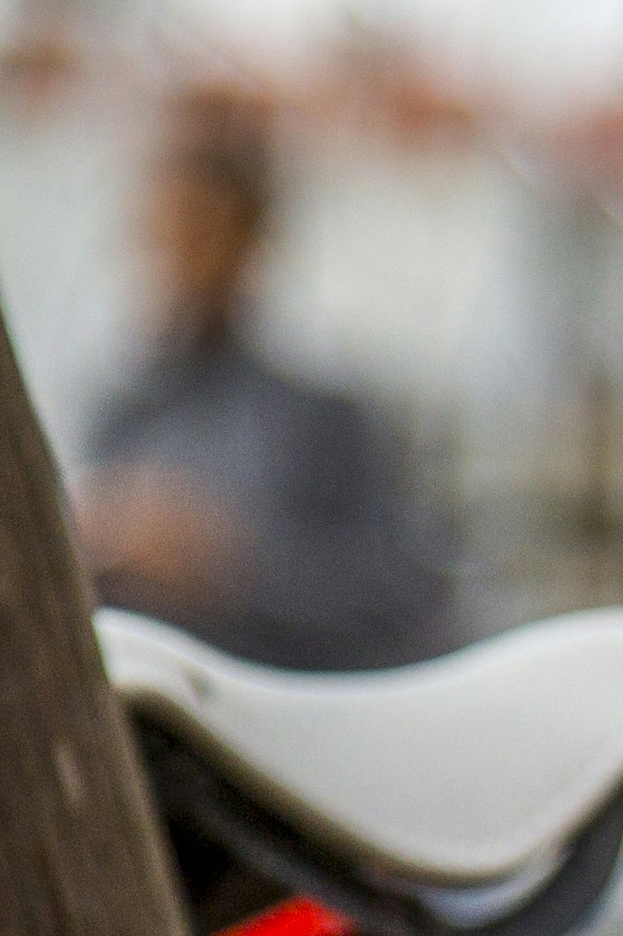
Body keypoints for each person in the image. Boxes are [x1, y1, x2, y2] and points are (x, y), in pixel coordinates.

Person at [67, 94, 453, 676]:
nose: (176, 256)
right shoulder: (121, 414)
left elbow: (404, 601)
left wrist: (229, 566)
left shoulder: (323, 417)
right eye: (165, 230)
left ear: (251, 238)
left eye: (200, 229)